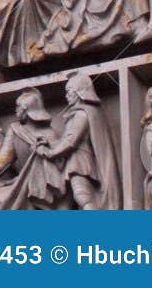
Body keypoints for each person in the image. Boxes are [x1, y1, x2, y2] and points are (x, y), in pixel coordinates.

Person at [38, 72, 119, 209]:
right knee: (72, 200)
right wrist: (50, 144)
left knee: (82, 196)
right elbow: (66, 140)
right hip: (74, 162)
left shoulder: (82, 114)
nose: (66, 96)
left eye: (69, 92)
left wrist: (49, 153)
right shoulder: (81, 113)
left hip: (80, 162)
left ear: (79, 92)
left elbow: (71, 141)